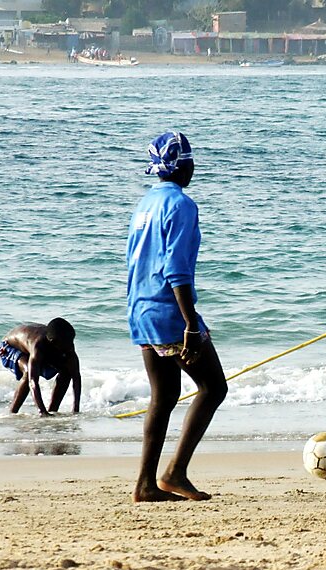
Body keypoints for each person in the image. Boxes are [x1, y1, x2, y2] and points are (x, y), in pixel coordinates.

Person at [127, 131, 227, 503]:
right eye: (190, 159)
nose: (193, 165)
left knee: (164, 395)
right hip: (168, 310)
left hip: (140, 307)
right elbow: (176, 269)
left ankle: (145, 484)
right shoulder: (182, 205)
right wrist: (190, 325)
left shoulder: (145, 204)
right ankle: (175, 472)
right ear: (182, 165)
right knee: (214, 388)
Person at [0, 318, 81, 416]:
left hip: (35, 349)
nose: (70, 346)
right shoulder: (38, 345)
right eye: (67, 344)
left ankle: (52, 410)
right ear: (53, 342)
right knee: (28, 371)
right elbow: (32, 381)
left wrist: (76, 410)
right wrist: (42, 411)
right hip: (9, 348)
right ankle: (12, 413)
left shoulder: (67, 344)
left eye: (71, 341)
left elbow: (76, 377)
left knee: (67, 371)